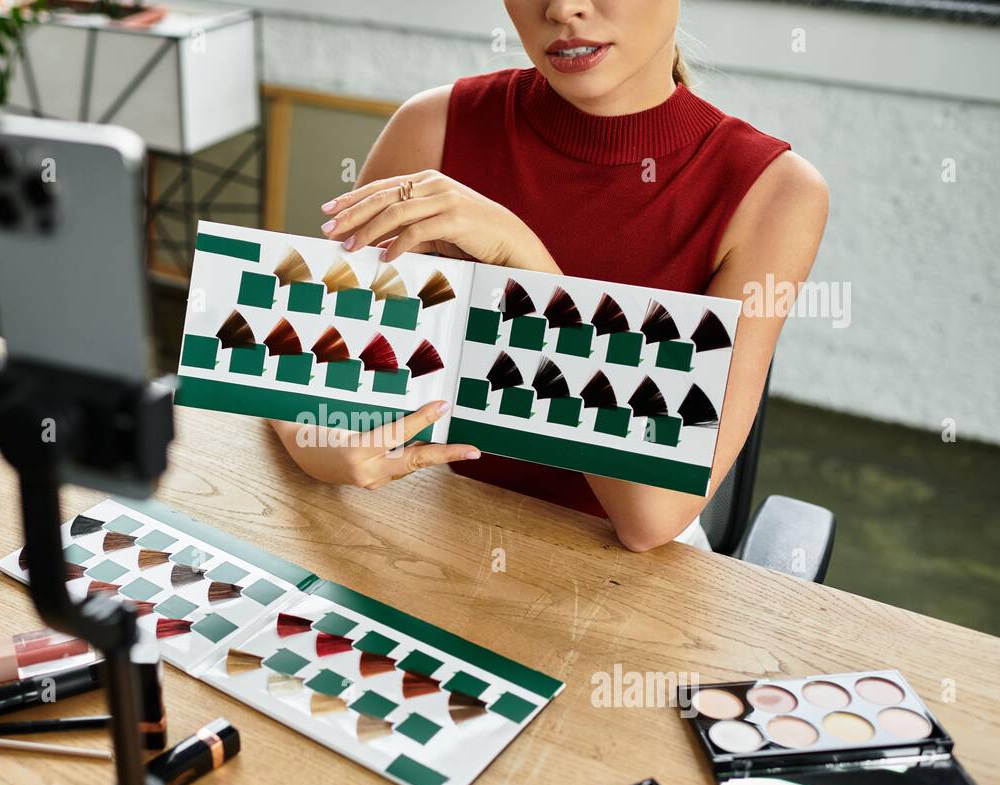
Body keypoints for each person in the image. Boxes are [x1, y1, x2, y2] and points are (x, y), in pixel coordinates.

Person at [270, 0, 828, 552]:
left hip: (617, 577)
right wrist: (314, 443)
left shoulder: (774, 195)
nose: (562, 9)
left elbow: (651, 516)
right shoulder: (432, 128)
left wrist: (527, 269)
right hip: (430, 526)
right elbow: (294, 374)